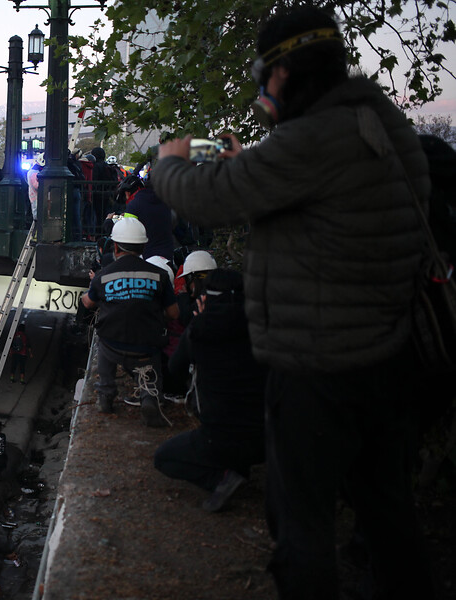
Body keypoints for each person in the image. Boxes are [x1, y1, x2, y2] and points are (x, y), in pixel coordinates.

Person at [150, 7, 431, 598]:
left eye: (263, 74)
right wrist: (257, 172)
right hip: (389, 352)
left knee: (300, 522)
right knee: (386, 509)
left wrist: (169, 162)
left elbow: (209, 199)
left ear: (282, 73)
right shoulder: (380, 122)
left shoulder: (312, 137)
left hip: (317, 366)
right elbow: (337, 214)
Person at [153, 269, 266, 512]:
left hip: (219, 437)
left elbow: (175, 368)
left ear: (205, 297)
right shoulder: (263, 328)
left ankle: (221, 479)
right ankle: (239, 469)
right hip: (267, 438)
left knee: (164, 458)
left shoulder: (199, 330)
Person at [81, 217, 179, 425]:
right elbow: (173, 313)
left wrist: (84, 296)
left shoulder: (103, 275)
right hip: (147, 347)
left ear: (115, 247)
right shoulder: (159, 275)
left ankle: (105, 395)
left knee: (103, 343)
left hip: (113, 344)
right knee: (152, 363)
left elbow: (89, 303)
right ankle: (149, 397)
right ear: (143, 246)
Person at [123, 171, 174, 261]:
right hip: (166, 256)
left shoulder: (134, 205)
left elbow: (127, 232)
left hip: (144, 256)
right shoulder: (168, 202)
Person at [26, 154, 43, 224]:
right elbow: (36, 186)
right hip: (36, 196)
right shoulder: (35, 173)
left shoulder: (31, 172)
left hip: (33, 195)